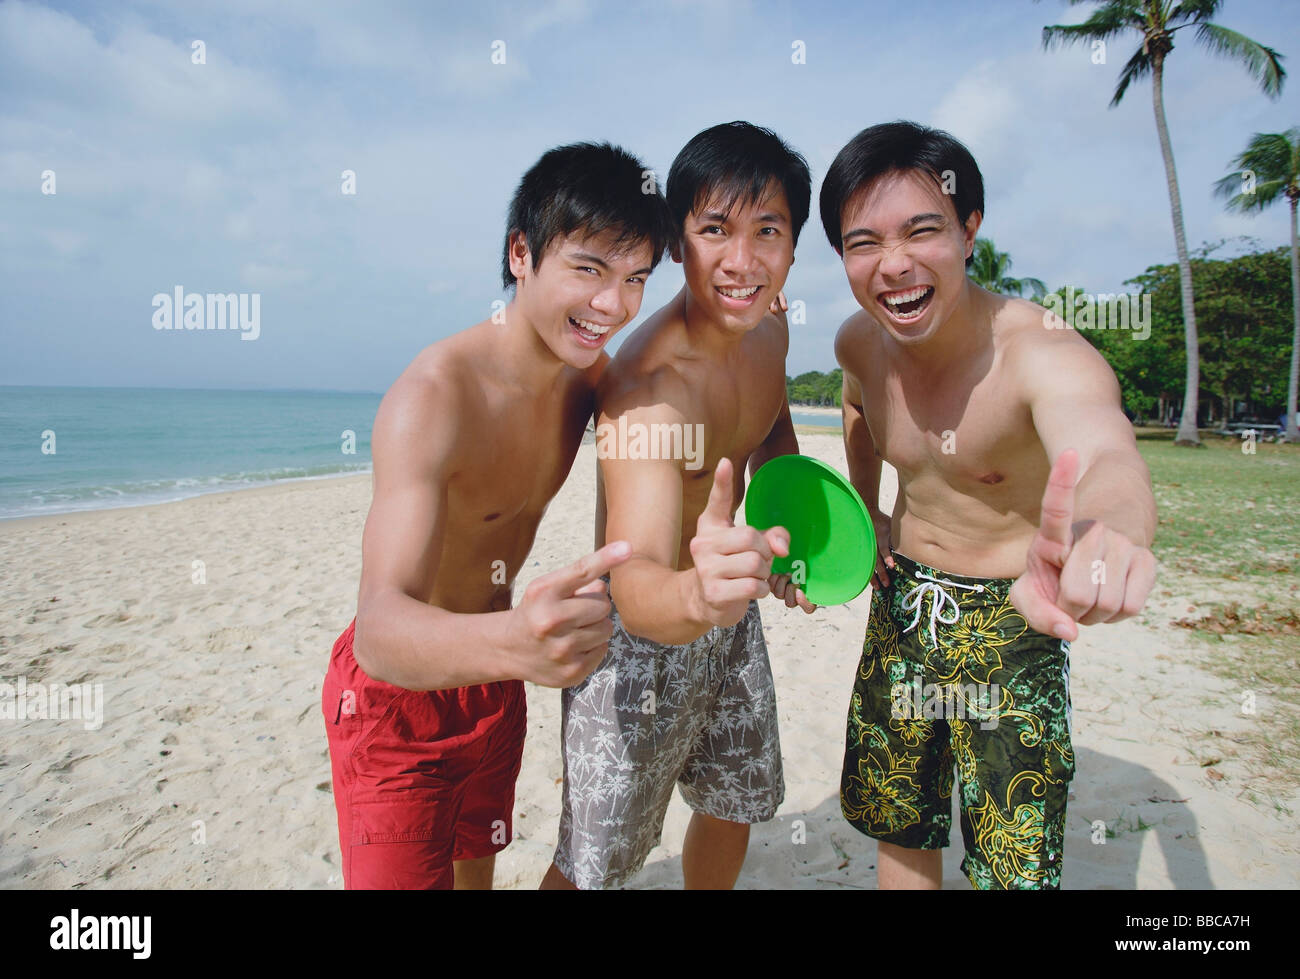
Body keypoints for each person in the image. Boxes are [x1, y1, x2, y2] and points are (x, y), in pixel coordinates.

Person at [322, 141, 675, 889]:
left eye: (635, 277)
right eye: (589, 268)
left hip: (495, 683)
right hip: (398, 698)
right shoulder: (434, 395)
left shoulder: (590, 379)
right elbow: (379, 629)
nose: (612, 305)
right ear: (522, 253)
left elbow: (677, 365)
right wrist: (514, 640)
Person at [822, 121, 1157, 890]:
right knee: (898, 821)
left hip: (1014, 620)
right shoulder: (859, 344)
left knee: (1013, 863)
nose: (894, 264)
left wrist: (1110, 531)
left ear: (970, 229)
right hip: (904, 605)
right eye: (863, 241)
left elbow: (1106, 452)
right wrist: (867, 508)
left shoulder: (1041, 353)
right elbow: (851, 405)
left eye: (922, 231)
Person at [542, 121, 815, 890]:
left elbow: (774, 423)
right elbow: (635, 587)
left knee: (736, 799)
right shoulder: (646, 394)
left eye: (769, 230)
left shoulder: (772, 325)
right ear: (677, 243)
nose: (743, 259)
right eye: (715, 230)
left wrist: (793, 534)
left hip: (724, 599)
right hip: (637, 641)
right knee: (596, 859)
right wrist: (702, 592)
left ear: (793, 245)